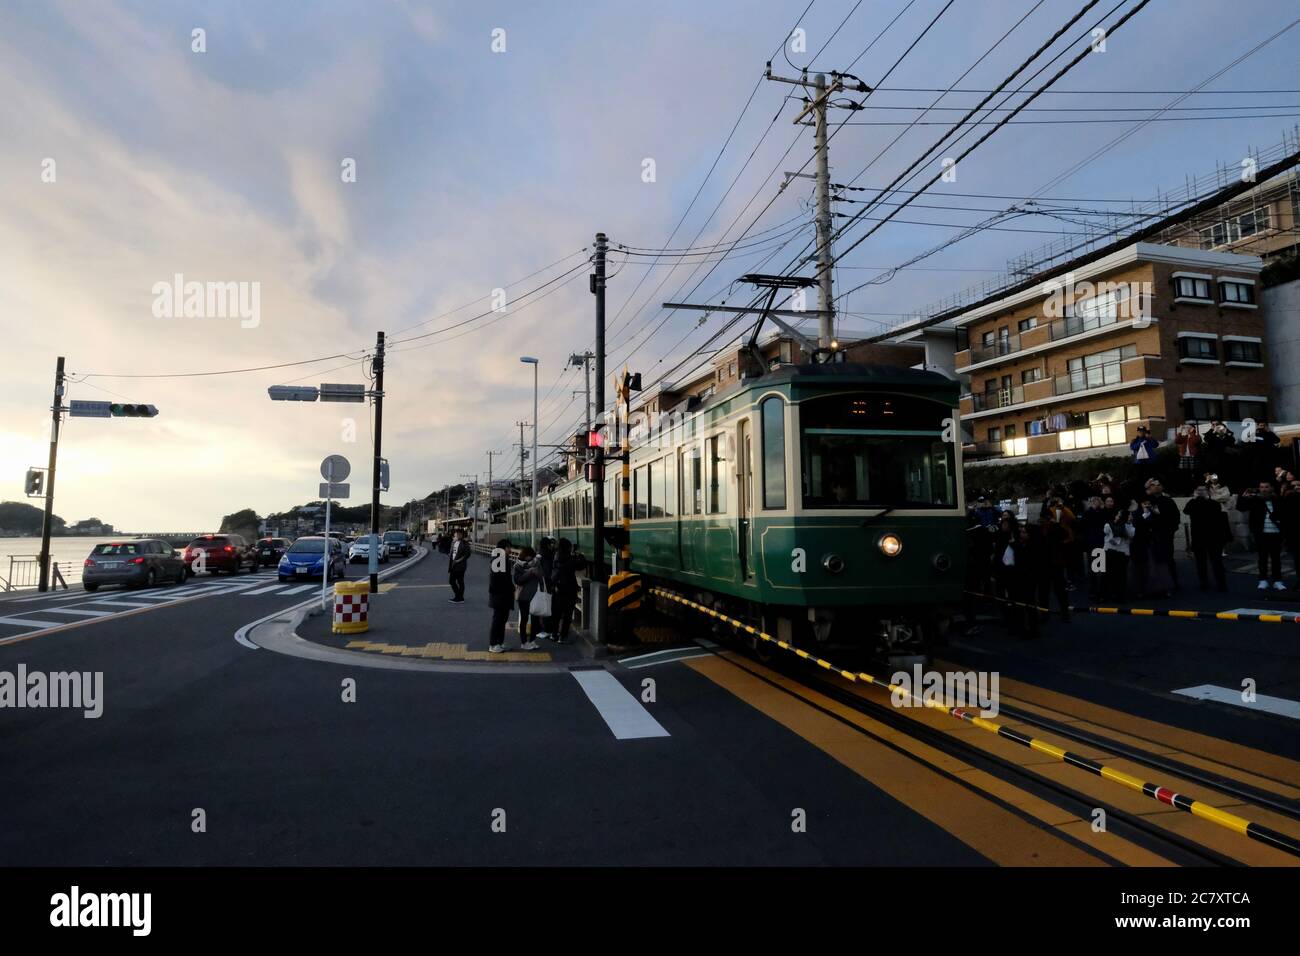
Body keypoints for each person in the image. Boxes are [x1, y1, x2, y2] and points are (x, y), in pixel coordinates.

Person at [1238, 482, 1287, 590]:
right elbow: (1241, 507)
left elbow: (1284, 514)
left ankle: (1277, 580)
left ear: (1271, 488)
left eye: (1266, 487)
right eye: (1261, 487)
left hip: (1275, 532)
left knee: (1276, 558)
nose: (1264, 489)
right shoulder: (1255, 500)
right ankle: (1263, 579)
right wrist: (1244, 497)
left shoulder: (1277, 500)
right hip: (1261, 532)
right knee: (1262, 557)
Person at [1183, 486, 1228, 592]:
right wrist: (1195, 499)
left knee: (1216, 561)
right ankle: (1204, 583)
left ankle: (1221, 584)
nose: (1200, 492)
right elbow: (1186, 511)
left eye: (1203, 490)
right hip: (1198, 537)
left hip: (1213, 537)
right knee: (1200, 562)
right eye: (1198, 490)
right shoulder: (1192, 503)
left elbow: (1215, 514)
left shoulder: (1214, 504)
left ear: (1207, 492)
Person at [549, 538, 586, 644]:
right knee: (567, 614)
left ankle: (554, 634)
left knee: (556, 613)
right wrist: (579, 555)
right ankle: (562, 636)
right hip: (569, 589)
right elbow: (581, 565)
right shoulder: (571, 559)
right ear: (568, 547)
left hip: (557, 589)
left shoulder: (555, 557)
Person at [511, 545, 542, 649]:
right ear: (525, 556)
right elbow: (518, 580)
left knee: (535, 620)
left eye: (532, 557)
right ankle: (524, 642)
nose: (531, 559)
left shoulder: (537, 564)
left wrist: (537, 573)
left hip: (534, 596)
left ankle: (532, 641)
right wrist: (530, 572)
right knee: (524, 619)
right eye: (530, 557)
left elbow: (541, 577)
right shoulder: (517, 566)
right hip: (523, 596)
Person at [487, 538, 515, 653]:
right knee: (498, 620)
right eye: (509, 547)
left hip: (502, 595)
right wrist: (504, 591)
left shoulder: (502, 558)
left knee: (502, 620)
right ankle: (493, 644)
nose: (510, 550)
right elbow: (495, 580)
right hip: (500, 596)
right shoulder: (500, 559)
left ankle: (499, 642)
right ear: (504, 548)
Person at [1102, 508, 1131, 602]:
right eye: (1117, 514)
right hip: (1109, 551)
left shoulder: (1127, 525)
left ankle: (1120, 596)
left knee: (1121, 576)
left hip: (1122, 552)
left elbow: (1130, 534)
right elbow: (1107, 533)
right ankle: (1106, 595)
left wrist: (1127, 523)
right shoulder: (1108, 524)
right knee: (1107, 574)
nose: (1118, 516)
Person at [447, 528, 470, 603]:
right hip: (453, 564)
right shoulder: (453, 542)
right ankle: (459, 597)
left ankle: (459, 597)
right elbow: (451, 552)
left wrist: (459, 560)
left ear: (462, 535)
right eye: (456, 533)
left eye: (459, 534)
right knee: (452, 581)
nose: (457, 535)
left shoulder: (465, 543)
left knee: (459, 581)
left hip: (460, 565)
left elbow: (467, 554)